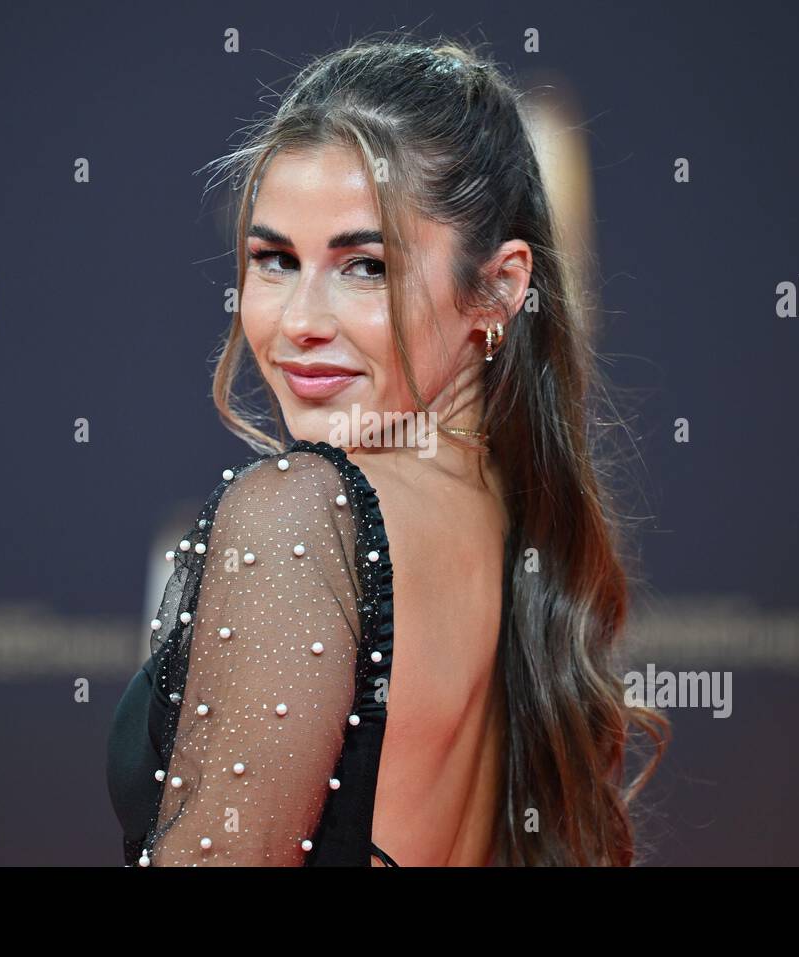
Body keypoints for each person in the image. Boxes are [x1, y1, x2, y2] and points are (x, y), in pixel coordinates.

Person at [105, 35, 668, 867]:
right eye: (274, 260)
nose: (300, 320)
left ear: (501, 287)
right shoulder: (503, 510)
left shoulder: (303, 514)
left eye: (364, 266)